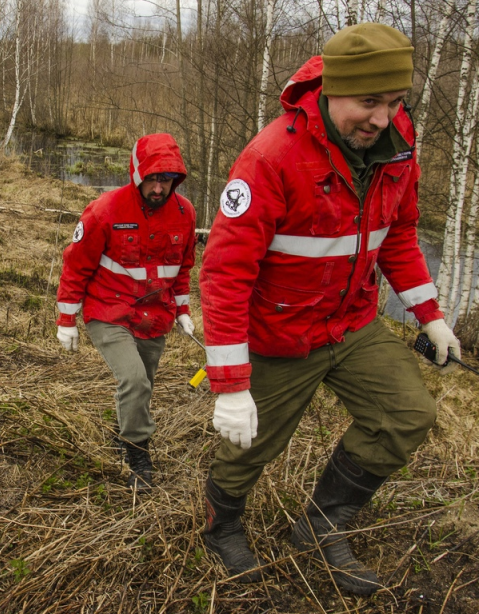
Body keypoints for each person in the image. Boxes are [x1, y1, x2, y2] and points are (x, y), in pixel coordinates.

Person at [197, 23, 461, 594]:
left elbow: (399, 234)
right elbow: (223, 275)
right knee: (251, 443)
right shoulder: (271, 157)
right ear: (331, 89)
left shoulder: (399, 146)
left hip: (352, 321)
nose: (381, 118)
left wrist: (429, 315)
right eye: (369, 102)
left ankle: (320, 527)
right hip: (280, 332)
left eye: (394, 102)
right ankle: (221, 526)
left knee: (406, 414)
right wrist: (231, 384)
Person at [56, 133, 197, 492]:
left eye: (166, 180)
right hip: (109, 311)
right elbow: (76, 266)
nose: (158, 188)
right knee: (134, 379)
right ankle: (137, 451)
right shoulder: (105, 210)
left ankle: (126, 432)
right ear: (137, 173)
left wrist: (182, 309)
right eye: (152, 178)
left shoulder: (185, 214)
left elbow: (182, 269)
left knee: (143, 384)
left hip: (155, 316)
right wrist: (66, 320)